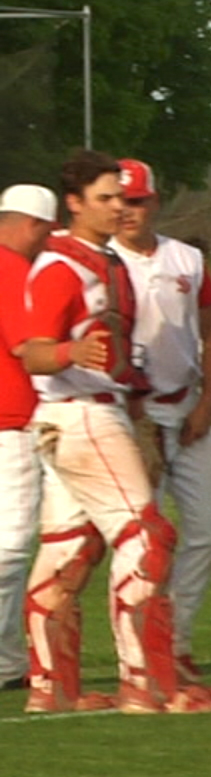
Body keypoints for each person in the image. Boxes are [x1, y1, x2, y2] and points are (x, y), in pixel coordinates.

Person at [19, 150, 211, 714]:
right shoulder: (64, 265)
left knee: (70, 546)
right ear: (75, 203)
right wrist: (70, 351)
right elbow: (31, 351)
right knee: (148, 538)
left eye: (122, 197)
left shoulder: (98, 260)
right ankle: (148, 682)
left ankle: (52, 687)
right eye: (105, 198)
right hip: (81, 411)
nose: (116, 207)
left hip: (89, 412)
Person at [111, 159, 211, 686]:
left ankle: (174, 641)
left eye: (137, 201)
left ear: (154, 202)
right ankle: (142, 655)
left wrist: (207, 402)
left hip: (187, 407)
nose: (128, 211)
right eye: (120, 201)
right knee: (143, 542)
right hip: (133, 413)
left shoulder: (186, 258)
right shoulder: (102, 261)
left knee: (210, 529)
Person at [0, 184, 59, 692]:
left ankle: (10, 660)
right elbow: (27, 346)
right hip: (9, 420)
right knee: (13, 544)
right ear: (33, 225)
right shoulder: (14, 270)